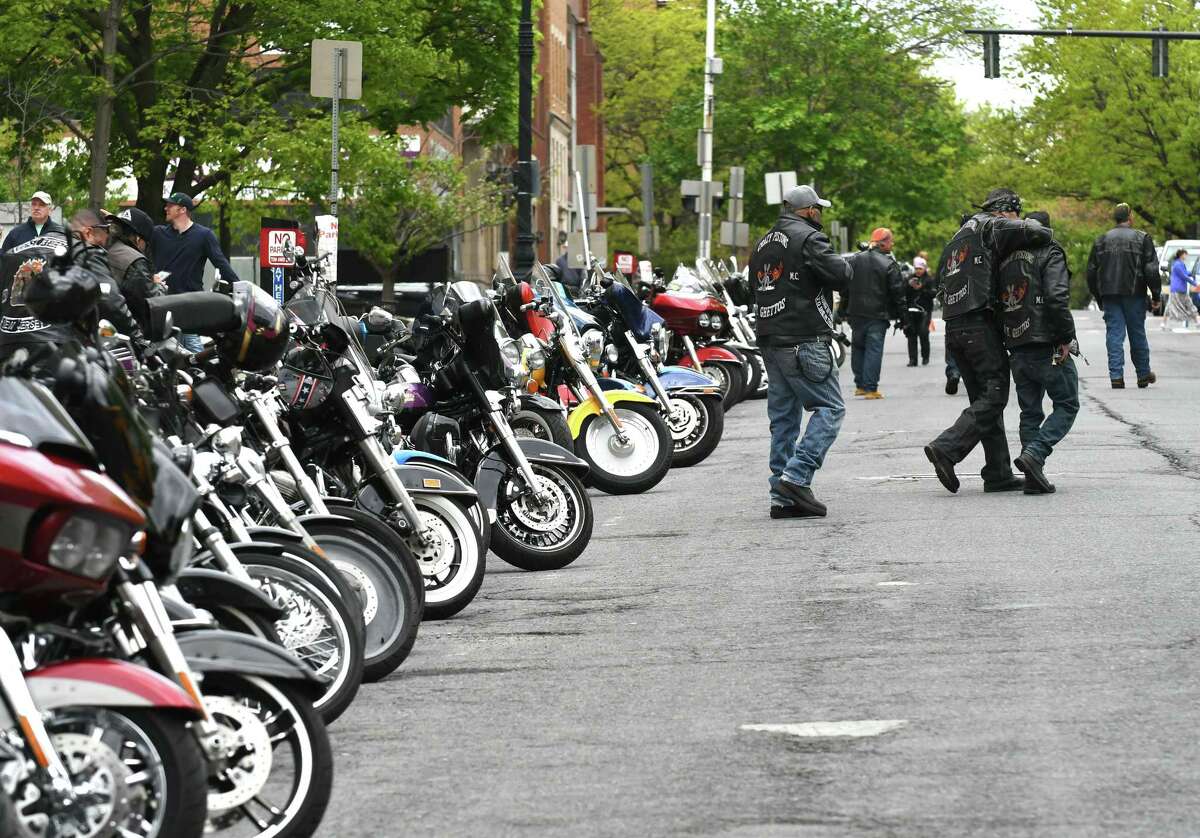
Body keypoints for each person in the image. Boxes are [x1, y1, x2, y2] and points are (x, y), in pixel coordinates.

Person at [924, 188, 1051, 494]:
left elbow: (940, 280)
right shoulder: (992, 224)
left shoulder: (958, 236)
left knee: (984, 399)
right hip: (979, 324)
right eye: (1016, 214)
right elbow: (1039, 232)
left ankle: (997, 472)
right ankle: (946, 448)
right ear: (1005, 210)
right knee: (994, 395)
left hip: (954, 327)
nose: (1017, 219)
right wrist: (1031, 226)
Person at [750, 184, 852, 519]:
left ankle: (781, 498)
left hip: (770, 338)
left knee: (783, 419)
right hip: (803, 337)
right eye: (818, 209)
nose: (820, 214)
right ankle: (795, 477)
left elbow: (754, 287)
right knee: (830, 408)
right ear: (808, 210)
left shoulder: (763, 243)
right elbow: (841, 274)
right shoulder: (810, 238)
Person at [998, 210, 1079, 495]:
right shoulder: (1051, 251)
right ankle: (1035, 454)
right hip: (1046, 342)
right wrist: (1066, 337)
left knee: (1030, 411)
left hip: (1016, 342)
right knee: (1067, 404)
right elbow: (1057, 297)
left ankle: (1033, 475)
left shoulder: (1006, 256)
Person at [1086, 202, 1160, 388]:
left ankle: (1116, 376)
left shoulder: (1101, 240)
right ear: (1130, 217)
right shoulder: (1142, 238)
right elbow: (1151, 269)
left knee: (1114, 334)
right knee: (1137, 333)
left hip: (1110, 294)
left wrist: (1098, 295)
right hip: (1135, 293)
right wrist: (1156, 295)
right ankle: (1143, 374)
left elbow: (1091, 271)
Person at [151, 192, 237, 351]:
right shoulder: (157, 233)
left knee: (194, 352)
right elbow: (137, 244)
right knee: (161, 354)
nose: (165, 208)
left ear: (183, 210)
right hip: (162, 306)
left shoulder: (204, 235)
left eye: (170, 205)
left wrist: (241, 288)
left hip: (190, 306)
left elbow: (221, 264)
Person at [844, 227, 903, 399]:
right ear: (883, 243)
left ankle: (860, 386)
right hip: (877, 314)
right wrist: (903, 316)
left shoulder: (853, 260)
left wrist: (843, 310)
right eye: (890, 241)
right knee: (873, 350)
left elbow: (844, 288)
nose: (893, 244)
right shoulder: (889, 264)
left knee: (858, 348)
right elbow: (898, 293)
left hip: (855, 313)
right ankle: (871, 388)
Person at [102, 207, 164, 335]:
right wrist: (159, 286)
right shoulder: (134, 261)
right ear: (138, 239)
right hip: (126, 333)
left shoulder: (103, 247)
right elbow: (153, 304)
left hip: (99, 329)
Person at [1, 191, 65, 253]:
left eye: (41, 205)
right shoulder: (15, 233)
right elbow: (3, 257)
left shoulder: (60, 233)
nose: (36, 208)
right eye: (34, 204)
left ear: (50, 210)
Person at [904, 255, 936, 366]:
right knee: (911, 333)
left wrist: (922, 288)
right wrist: (909, 286)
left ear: (924, 268)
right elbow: (903, 293)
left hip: (925, 311)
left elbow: (933, 293)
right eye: (916, 268)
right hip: (911, 310)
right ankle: (913, 359)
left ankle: (925, 356)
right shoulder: (910, 279)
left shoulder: (929, 279)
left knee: (923, 333)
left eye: (920, 269)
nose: (918, 271)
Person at [1160, 248, 1200, 331]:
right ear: (1181, 255)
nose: (1186, 256)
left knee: (1174, 305)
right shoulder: (1178, 264)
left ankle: (1197, 322)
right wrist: (1195, 284)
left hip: (1179, 289)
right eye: (1185, 254)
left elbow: (1185, 273)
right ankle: (1197, 322)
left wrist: (1191, 273)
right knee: (1186, 305)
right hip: (1178, 289)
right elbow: (1184, 276)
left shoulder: (1178, 264)